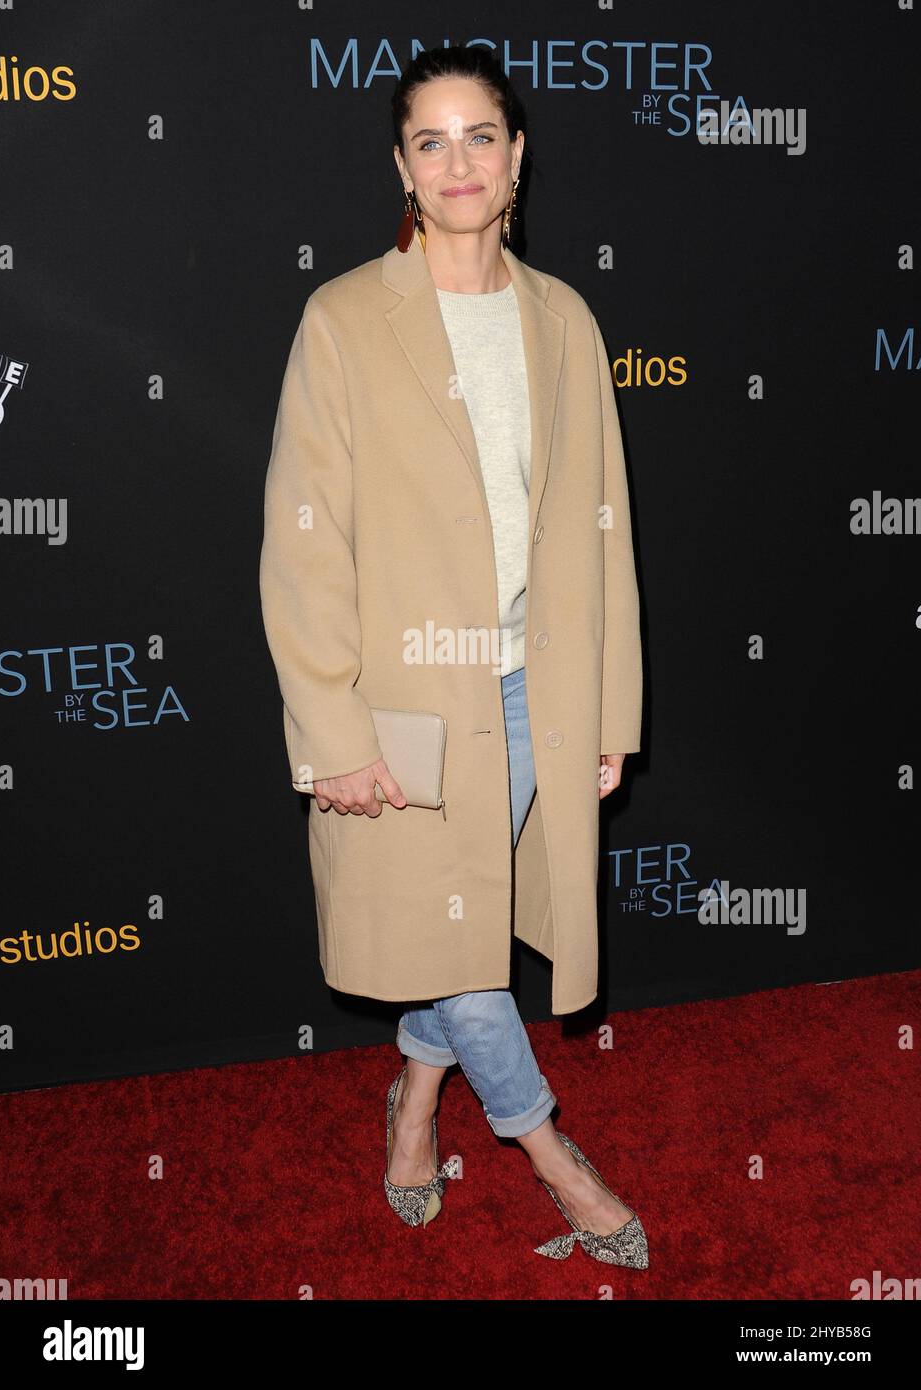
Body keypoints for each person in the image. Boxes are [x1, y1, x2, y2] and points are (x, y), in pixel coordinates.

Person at [259, 45, 647, 1268]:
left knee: (458, 934)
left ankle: (415, 1099)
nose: (458, 161)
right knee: (463, 949)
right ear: (401, 168)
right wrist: (332, 733)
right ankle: (550, 1151)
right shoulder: (342, 320)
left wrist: (608, 707)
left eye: (481, 134)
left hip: (536, 688)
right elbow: (301, 545)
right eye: (430, 140)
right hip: (403, 704)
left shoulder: (563, 320)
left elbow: (604, 530)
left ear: (517, 153)